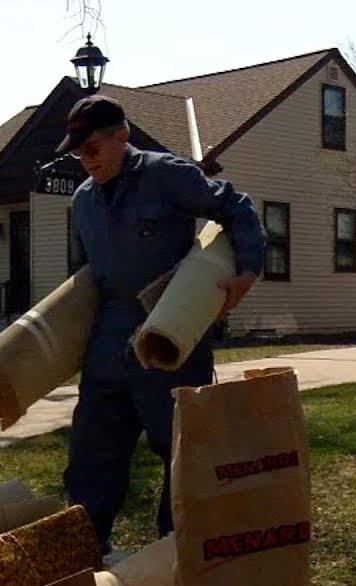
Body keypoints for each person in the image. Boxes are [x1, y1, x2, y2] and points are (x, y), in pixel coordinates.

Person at [57, 94, 266, 552]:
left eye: (92, 148)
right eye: (77, 154)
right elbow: (83, 276)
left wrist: (247, 271)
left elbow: (234, 206)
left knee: (182, 452)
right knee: (91, 455)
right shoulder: (83, 201)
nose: (86, 161)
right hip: (106, 344)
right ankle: (86, 555)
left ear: (121, 136)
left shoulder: (166, 175)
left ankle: (180, 555)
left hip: (171, 334)